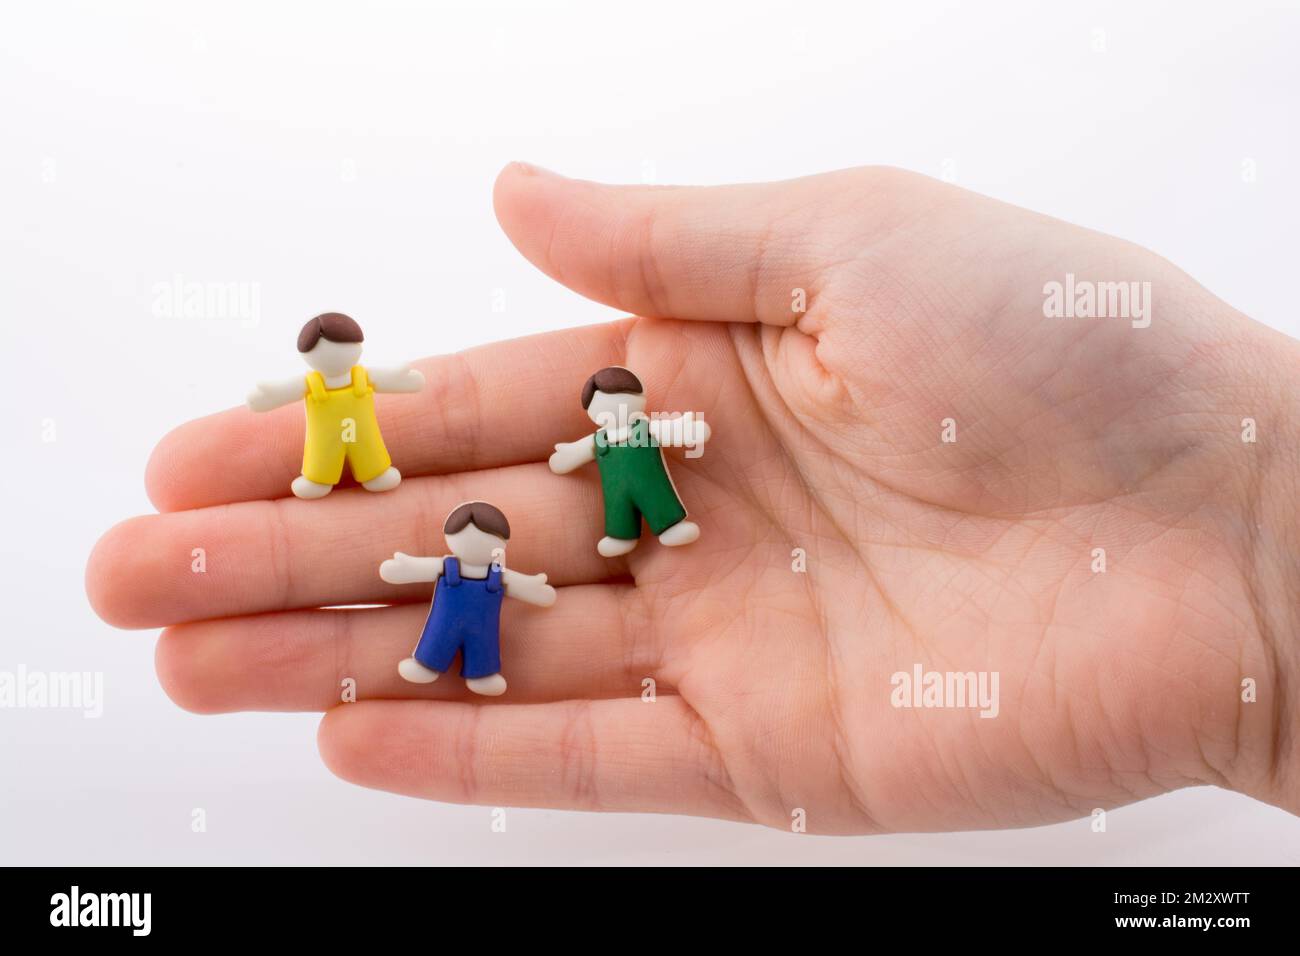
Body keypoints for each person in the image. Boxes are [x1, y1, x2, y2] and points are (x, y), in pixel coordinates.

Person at [88, 164, 1300, 832]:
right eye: (464, 527)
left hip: (640, 505)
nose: (465, 531)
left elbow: (654, 440)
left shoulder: (636, 429)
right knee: (461, 606)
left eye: (468, 527)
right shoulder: (351, 413)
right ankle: (433, 589)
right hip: (405, 519)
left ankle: (622, 532)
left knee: (639, 512)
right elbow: (513, 505)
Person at [379, 501, 556, 697]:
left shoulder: (497, 573)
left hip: (482, 626)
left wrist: (534, 589)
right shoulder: (447, 566)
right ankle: (426, 665)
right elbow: (420, 568)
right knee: (437, 638)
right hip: (446, 621)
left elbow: (520, 585)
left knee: (483, 645)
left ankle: (482, 675)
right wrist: (405, 569)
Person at [246, 312, 425, 499]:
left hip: (361, 430)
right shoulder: (311, 383)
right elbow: (284, 391)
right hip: (325, 435)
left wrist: (402, 379)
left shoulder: (362, 376)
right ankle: (317, 480)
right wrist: (270, 396)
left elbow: (388, 379)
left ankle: (377, 473)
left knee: (369, 448)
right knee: (321, 454)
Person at [549, 366, 710, 555]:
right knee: (618, 510)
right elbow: (573, 455)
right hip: (617, 491)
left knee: (658, 500)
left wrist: (686, 431)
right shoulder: (600, 439)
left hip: (650, 483)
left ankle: (671, 527)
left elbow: (669, 431)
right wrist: (568, 455)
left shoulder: (644, 428)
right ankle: (621, 536)